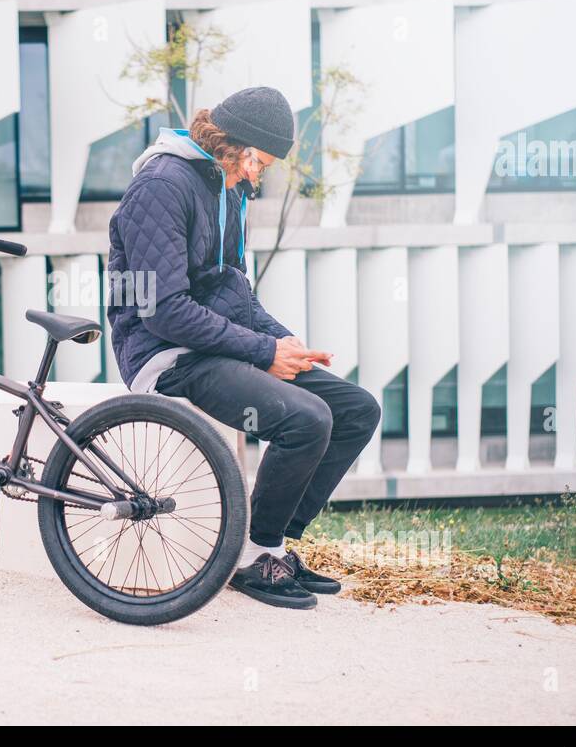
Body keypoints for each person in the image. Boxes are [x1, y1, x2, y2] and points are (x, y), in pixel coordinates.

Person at [106, 86, 382, 610]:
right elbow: (162, 309)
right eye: (258, 161)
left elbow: (230, 289)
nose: (259, 175)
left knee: (355, 411)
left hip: (213, 345)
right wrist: (261, 351)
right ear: (229, 144)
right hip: (162, 354)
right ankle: (257, 557)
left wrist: (280, 340)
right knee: (306, 420)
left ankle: (267, 544)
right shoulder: (160, 187)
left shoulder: (226, 187)